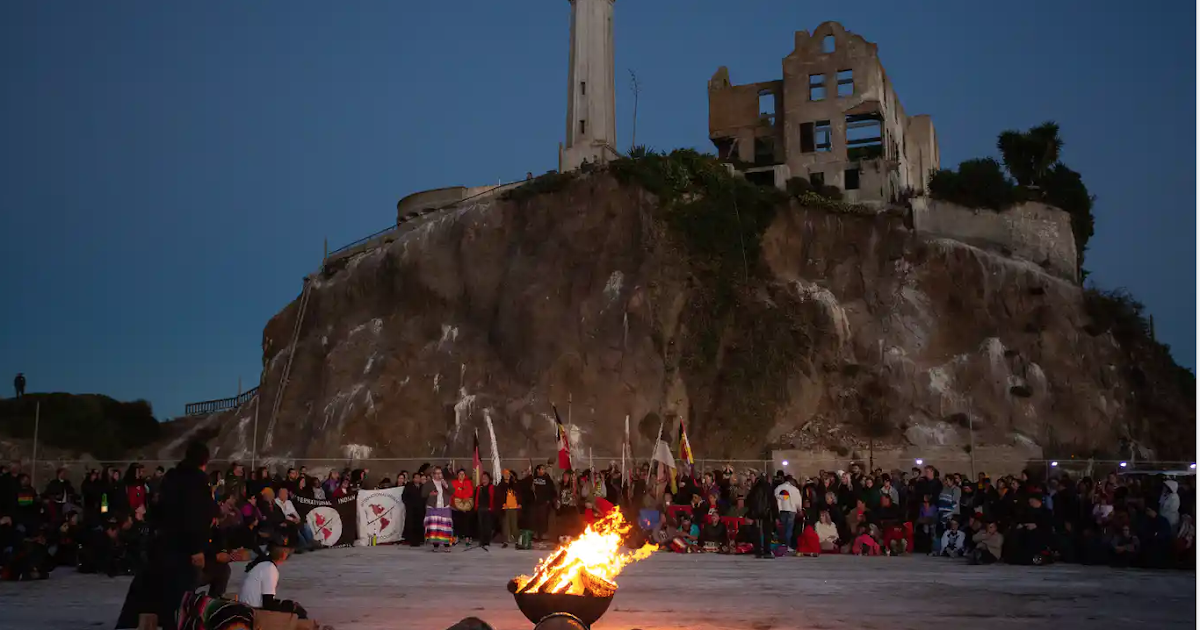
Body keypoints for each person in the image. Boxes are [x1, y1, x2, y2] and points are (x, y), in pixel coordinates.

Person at [115, 441, 214, 629]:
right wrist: (197, 549)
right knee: (178, 601)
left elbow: (158, 507)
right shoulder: (198, 480)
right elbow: (196, 516)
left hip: (161, 544)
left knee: (146, 594)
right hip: (182, 549)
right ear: (204, 461)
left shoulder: (171, 477)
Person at [239, 533, 309, 619]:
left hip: (246, 608)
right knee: (298, 613)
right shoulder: (269, 568)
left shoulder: (261, 563)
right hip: (254, 612)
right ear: (284, 554)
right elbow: (268, 604)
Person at [422, 467, 455, 552]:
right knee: (435, 528)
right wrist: (430, 494)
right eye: (436, 473)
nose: (438, 475)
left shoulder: (445, 482)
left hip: (444, 507)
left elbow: (452, 491)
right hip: (433, 508)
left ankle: (447, 545)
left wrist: (446, 485)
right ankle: (435, 545)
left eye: (440, 473)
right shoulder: (428, 484)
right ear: (433, 474)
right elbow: (423, 494)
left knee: (445, 528)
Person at [744, 471, 776, 559]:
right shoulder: (769, 487)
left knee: (757, 532)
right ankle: (767, 551)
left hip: (757, 514)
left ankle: (758, 551)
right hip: (767, 514)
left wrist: (750, 514)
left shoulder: (755, 488)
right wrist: (776, 515)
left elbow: (751, 501)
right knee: (767, 533)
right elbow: (773, 502)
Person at [774, 475, 801, 551]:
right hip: (791, 510)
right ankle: (787, 545)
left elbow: (775, 499)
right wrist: (799, 509)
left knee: (782, 528)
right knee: (789, 528)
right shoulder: (794, 489)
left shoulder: (778, 488)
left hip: (781, 510)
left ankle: (780, 544)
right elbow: (798, 500)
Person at [496, 469, 521, 548]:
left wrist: (520, 503)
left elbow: (520, 495)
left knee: (514, 525)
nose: (507, 475)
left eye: (508, 474)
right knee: (506, 525)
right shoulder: (501, 485)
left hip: (514, 507)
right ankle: (505, 541)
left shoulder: (514, 485)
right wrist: (502, 504)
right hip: (505, 508)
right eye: (505, 474)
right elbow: (498, 496)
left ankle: (517, 540)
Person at [402, 469, 427, 547]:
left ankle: (420, 539)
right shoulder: (409, 486)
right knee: (411, 525)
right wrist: (408, 505)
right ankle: (412, 540)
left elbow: (425, 497)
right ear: (413, 479)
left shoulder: (423, 487)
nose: (417, 479)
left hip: (420, 509)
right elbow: (404, 497)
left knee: (420, 524)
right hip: (411, 509)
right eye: (415, 478)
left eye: (418, 478)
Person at [474, 472, 497, 549]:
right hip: (480, 508)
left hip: (488, 508)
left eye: (485, 478)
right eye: (482, 478)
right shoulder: (479, 487)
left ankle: (487, 541)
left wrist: (491, 507)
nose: (484, 479)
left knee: (488, 525)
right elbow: (476, 498)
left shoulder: (491, 487)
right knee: (480, 525)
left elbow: (493, 498)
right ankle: (481, 540)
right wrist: (476, 507)